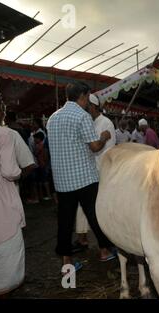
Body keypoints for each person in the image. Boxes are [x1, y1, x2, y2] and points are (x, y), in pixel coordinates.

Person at [46, 82, 116, 273]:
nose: (87, 102)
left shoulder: (53, 118)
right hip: (84, 178)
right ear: (83, 96)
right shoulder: (82, 116)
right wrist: (103, 137)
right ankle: (104, 251)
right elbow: (94, 147)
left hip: (62, 180)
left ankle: (67, 262)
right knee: (94, 216)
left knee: (65, 221)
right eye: (87, 97)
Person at [73, 94, 116, 252]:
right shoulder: (90, 122)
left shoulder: (105, 123)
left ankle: (106, 241)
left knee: (98, 207)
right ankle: (83, 238)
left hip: (102, 172)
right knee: (85, 205)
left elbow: (102, 149)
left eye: (85, 106)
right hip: (91, 172)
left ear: (92, 106)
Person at [0, 90, 26, 297]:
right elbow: (9, 171)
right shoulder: (3, 134)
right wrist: (20, 171)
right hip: (1, 207)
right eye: (2, 105)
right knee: (5, 278)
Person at [33, 131, 52, 201]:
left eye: (35, 139)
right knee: (42, 181)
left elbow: (36, 153)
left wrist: (45, 164)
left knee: (45, 181)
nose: (34, 140)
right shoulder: (41, 145)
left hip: (43, 165)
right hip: (42, 165)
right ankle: (44, 195)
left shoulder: (40, 145)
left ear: (39, 139)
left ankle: (48, 195)